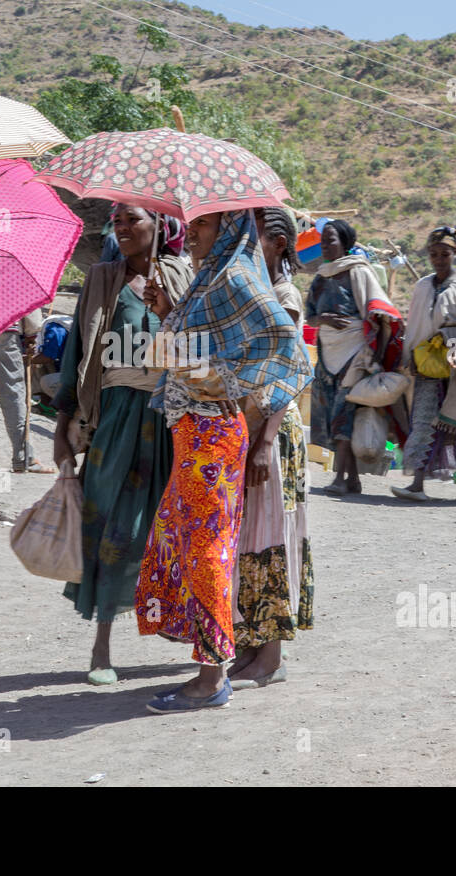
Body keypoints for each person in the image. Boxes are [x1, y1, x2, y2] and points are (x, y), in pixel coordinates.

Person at [136, 210, 311, 713]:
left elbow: (285, 351)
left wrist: (228, 382)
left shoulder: (235, 277)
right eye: (193, 225)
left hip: (212, 432)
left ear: (231, 230)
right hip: (194, 433)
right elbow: (190, 350)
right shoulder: (209, 279)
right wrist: (169, 309)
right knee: (191, 541)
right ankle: (213, 665)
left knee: (207, 548)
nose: (193, 233)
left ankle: (211, 679)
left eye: (205, 225)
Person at [51, 204, 192, 685]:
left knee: (171, 527)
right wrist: (63, 423)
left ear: (161, 227)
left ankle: (186, 628)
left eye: (134, 219)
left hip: (173, 420)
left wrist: (167, 312)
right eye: (118, 221)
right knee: (111, 526)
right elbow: (77, 352)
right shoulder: (103, 278)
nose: (124, 228)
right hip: (115, 420)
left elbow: (197, 352)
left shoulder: (184, 277)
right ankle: (102, 649)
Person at [227, 207, 314, 689]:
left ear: (280, 243)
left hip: (272, 433)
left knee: (270, 537)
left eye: (255, 234)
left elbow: (286, 371)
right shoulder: (248, 292)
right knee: (247, 537)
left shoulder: (284, 296)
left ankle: (272, 656)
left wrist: (263, 442)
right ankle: (251, 647)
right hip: (248, 428)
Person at [391, 226, 456, 502]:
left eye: (445, 253)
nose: (439, 259)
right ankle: (417, 484)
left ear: (455, 252)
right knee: (423, 421)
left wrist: (454, 347)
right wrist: (412, 357)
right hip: (427, 360)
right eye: (434, 254)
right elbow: (417, 324)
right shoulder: (423, 286)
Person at [304, 218, 389, 495]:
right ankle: (353, 479)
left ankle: (340, 478)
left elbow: (379, 311)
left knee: (343, 415)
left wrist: (375, 354)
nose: (325, 246)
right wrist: (324, 318)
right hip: (327, 355)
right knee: (332, 416)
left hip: (355, 353)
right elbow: (310, 316)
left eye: (331, 240)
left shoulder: (359, 273)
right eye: (323, 240)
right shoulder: (321, 277)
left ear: (345, 244)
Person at [0, 311, 54, 473]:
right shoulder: (15, 283)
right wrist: (31, 334)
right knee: (13, 393)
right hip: (5, 328)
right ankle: (24, 458)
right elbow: (30, 307)